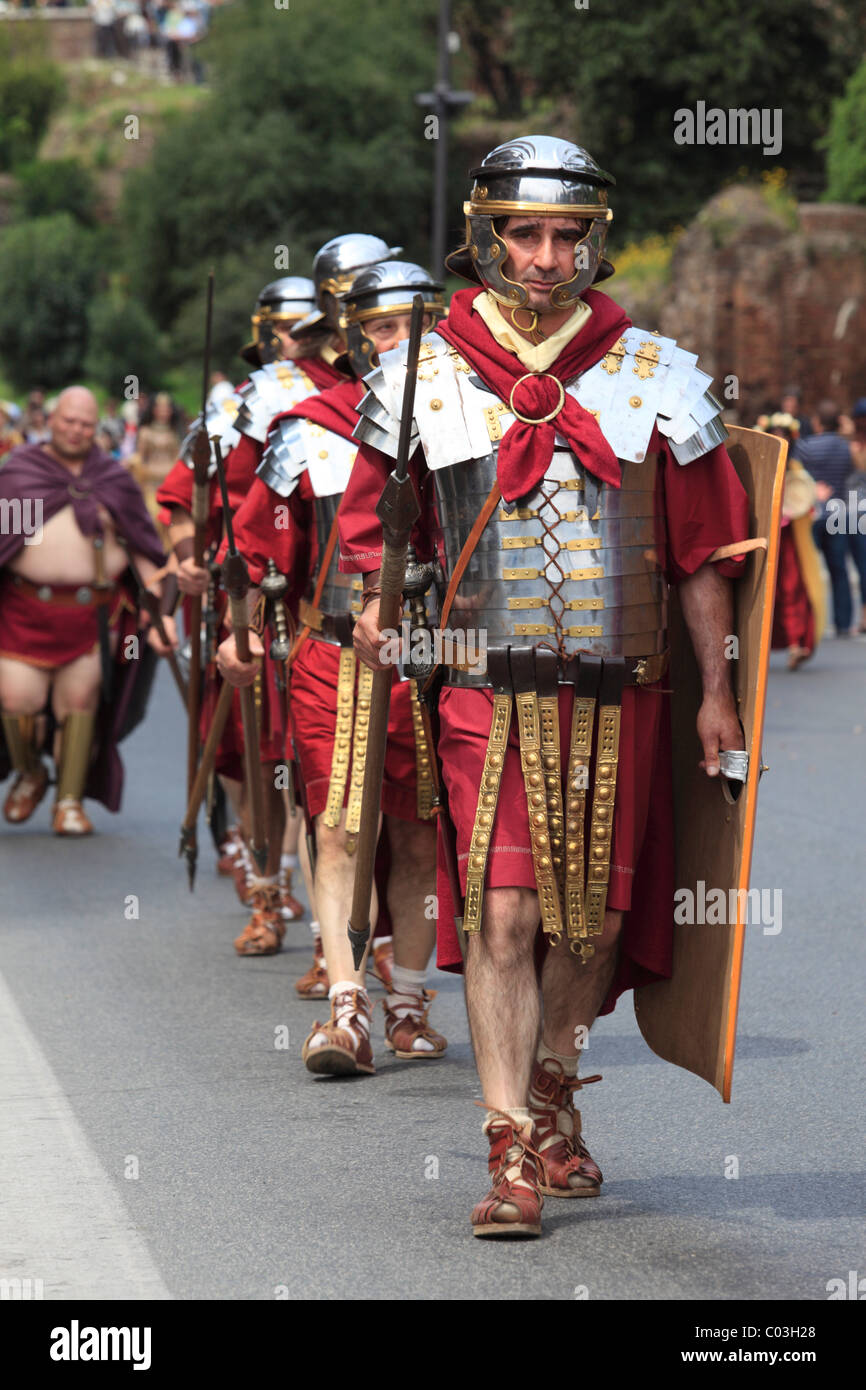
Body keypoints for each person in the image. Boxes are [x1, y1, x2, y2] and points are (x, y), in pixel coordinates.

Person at [343, 136, 755, 1236]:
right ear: (484, 237)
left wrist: (717, 695)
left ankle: (553, 1088)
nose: (544, 256)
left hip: (620, 697)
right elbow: (365, 539)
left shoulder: (652, 371)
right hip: (485, 690)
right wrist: (392, 612)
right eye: (523, 233)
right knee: (506, 910)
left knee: (592, 927)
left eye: (565, 235)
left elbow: (701, 554)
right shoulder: (421, 370)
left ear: (592, 243)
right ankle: (507, 1145)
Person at [218, 260, 447, 1075]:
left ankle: (410, 1002)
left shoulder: (463, 419)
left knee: (421, 833)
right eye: (383, 328)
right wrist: (242, 632)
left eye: (412, 324)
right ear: (353, 338)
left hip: (435, 657)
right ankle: (346, 1005)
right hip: (334, 652)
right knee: (342, 825)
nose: (398, 342)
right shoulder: (309, 425)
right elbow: (257, 549)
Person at [0, 387, 166, 835]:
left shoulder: (114, 478)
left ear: (97, 428)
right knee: (16, 701)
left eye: (86, 424)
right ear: (52, 421)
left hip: (91, 615)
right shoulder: (21, 473)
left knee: (79, 703)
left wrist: (160, 605)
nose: (76, 430)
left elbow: (143, 545)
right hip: (23, 611)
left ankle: (69, 801)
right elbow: (4, 541)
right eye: (68, 421)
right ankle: (31, 771)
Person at [761, 413, 825, 667]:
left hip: (789, 545)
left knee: (792, 591)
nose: (779, 439)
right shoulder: (760, 468)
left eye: (783, 435)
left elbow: (805, 506)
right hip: (763, 541)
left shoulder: (798, 474)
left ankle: (796, 643)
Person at [797, 400, 854, 637]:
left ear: (817, 422)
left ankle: (806, 625)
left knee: (806, 569)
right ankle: (843, 622)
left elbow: (798, 476)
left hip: (812, 512)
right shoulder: (845, 448)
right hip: (838, 512)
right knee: (838, 569)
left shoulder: (805, 446)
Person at [128, 391, 182, 524]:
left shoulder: (174, 432)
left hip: (171, 485)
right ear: (153, 410)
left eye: (166, 409)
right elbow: (139, 458)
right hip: (151, 486)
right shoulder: (145, 432)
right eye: (160, 408)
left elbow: (177, 457)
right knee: (154, 518)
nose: (164, 412)